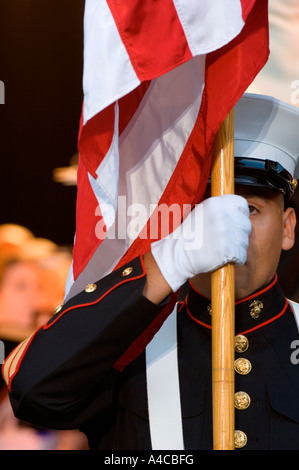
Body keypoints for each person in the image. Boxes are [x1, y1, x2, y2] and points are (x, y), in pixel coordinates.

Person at [2, 94, 299, 450]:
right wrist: (171, 259)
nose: (229, 229)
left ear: (287, 229)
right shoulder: (133, 342)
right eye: (204, 211)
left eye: (250, 209)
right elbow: (33, 390)